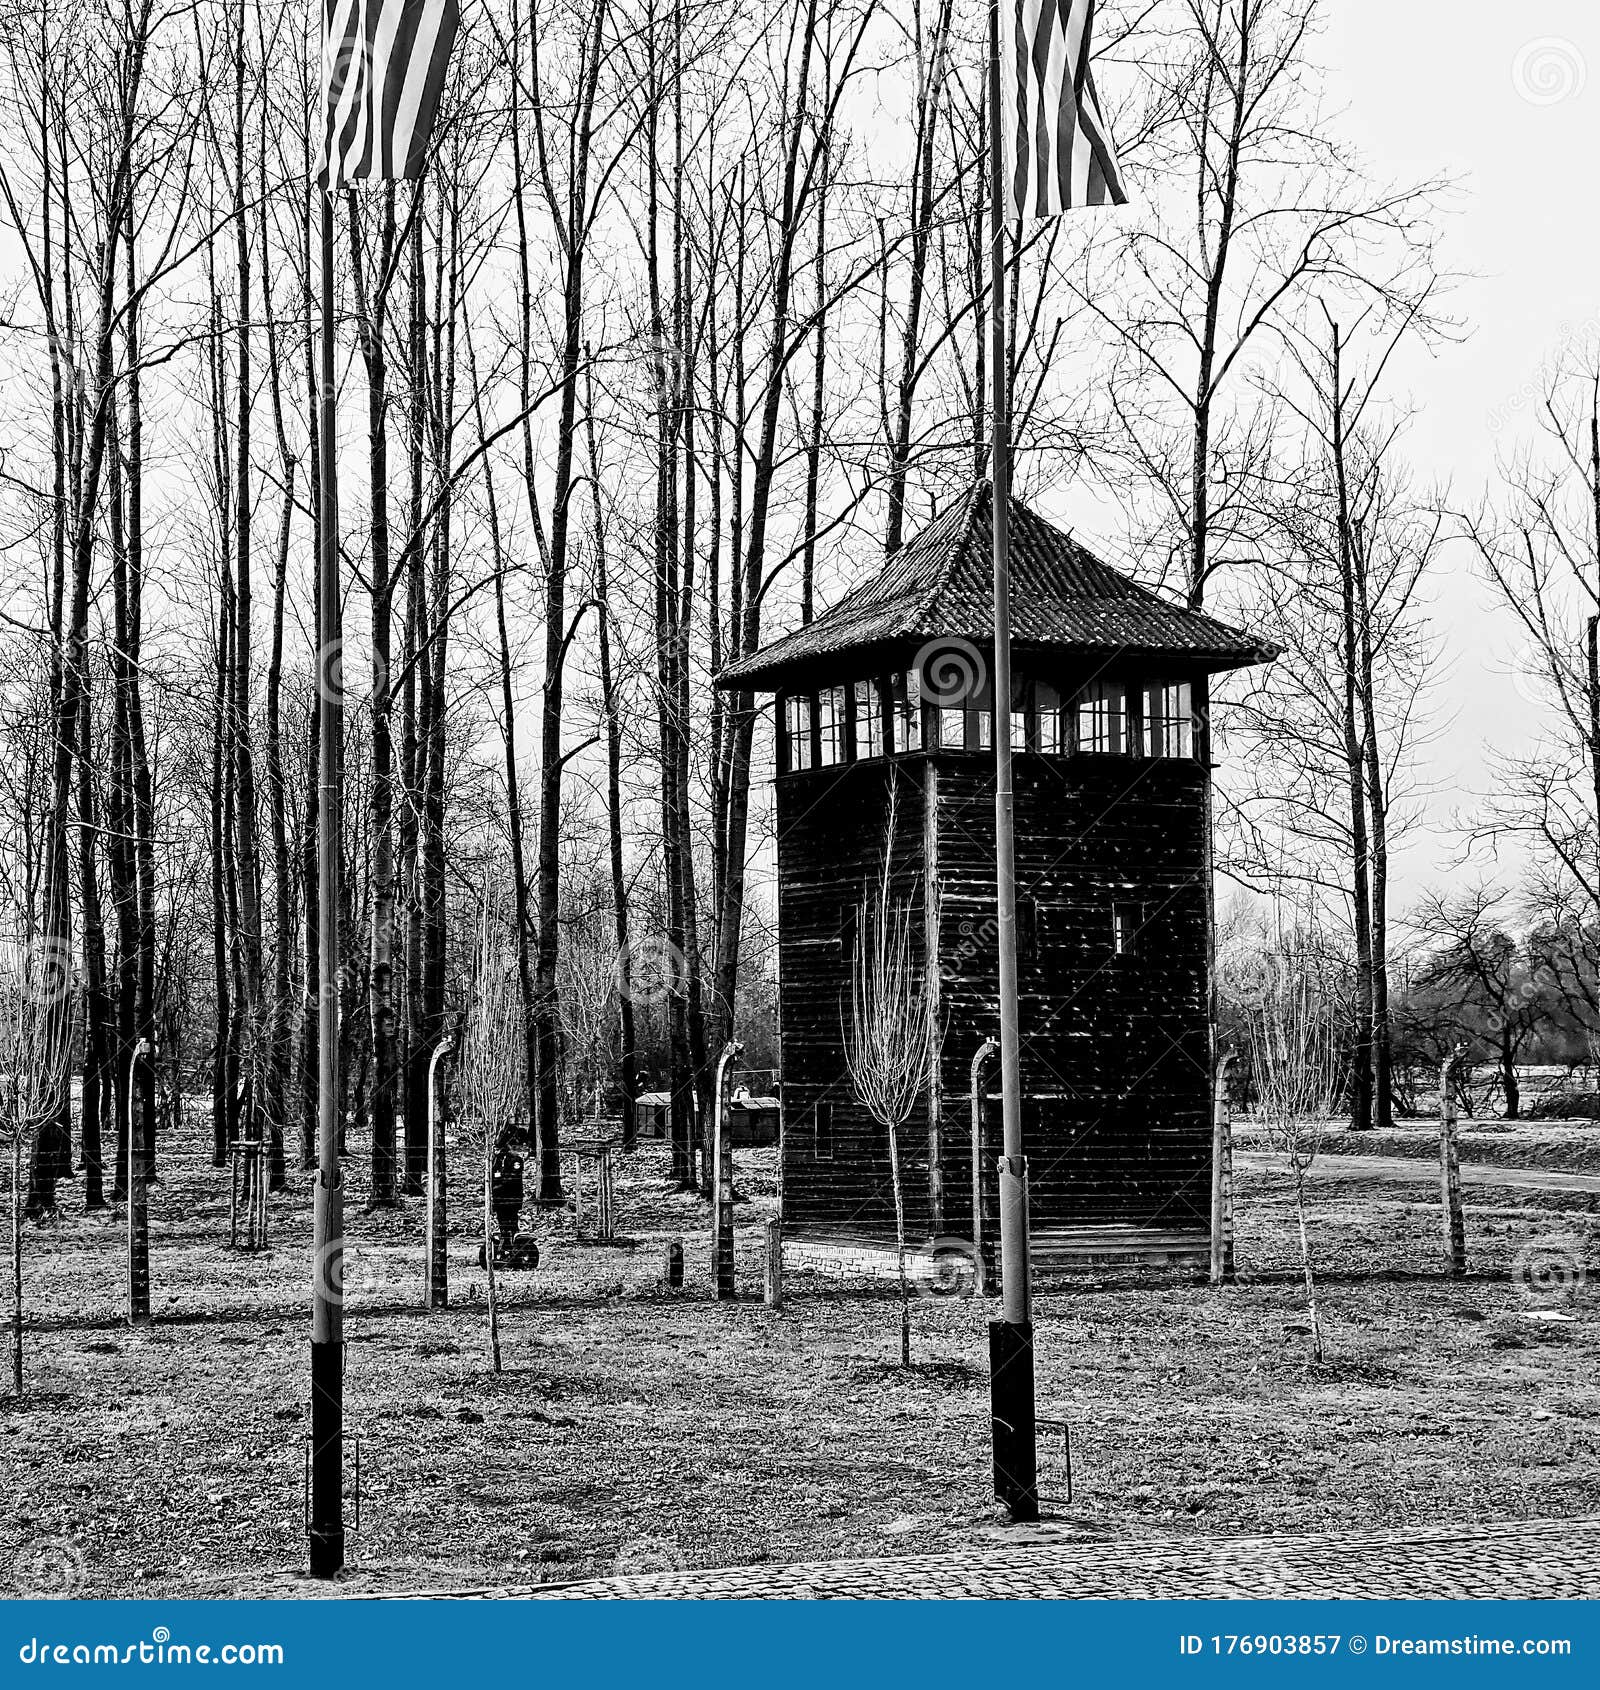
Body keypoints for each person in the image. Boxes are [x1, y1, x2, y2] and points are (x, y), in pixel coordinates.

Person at [490, 1123, 529, 1257]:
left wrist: (498, 1184)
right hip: (499, 1198)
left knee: (512, 1224)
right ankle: (505, 1248)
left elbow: (513, 1178)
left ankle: (515, 1249)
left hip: (511, 1198)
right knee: (502, 1224)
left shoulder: (515, 1159)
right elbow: (491, 1175)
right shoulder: (497, 1160)